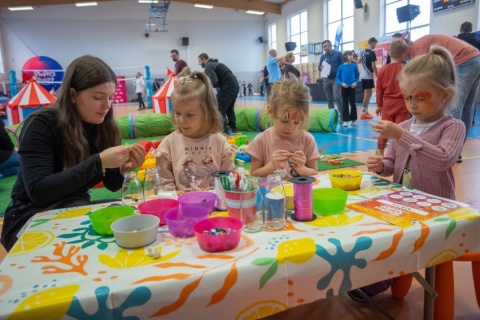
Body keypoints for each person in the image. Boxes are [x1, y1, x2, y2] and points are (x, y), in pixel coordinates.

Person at [348, 46, 466, 302]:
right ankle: (377, 276)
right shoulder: (404, 125)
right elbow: (392, 163)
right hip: (403, 205)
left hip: (437, 209)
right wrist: (381, 166)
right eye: (406, 97)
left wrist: (401, 135)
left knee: (402, 243)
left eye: (420, 97)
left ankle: (381, 280)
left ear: (445, 95)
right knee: (376, 231)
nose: (411, 105)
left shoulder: (452, 126)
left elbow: (443, 159)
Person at [1, 55, 146, 252]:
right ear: (72, 94)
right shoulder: (42, 125)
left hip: (72, 208)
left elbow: (113, 185)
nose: (107, 105)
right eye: (98, 97)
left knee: (132, 220)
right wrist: (99, 162)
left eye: (110, 97)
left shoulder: (105, 127)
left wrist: (123, 170)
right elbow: (39, 192)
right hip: (28, 215)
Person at [152, 71, 235, 192]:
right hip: (183, 207)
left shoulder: (219, 142)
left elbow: (229, 179)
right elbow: (163, 183)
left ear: (208, 113)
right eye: (177, 113)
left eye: (190, 115)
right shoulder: (169, 144)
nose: (181, 120)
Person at [406, 34, 480, 161]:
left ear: (406, 48)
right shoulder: (421, 42)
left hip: (464, 61)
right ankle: (457, 150)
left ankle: (450, 149)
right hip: (476, 57)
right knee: (467, 106)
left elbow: (423, 75)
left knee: (454, 104)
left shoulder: (416, 48)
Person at [246, 76, 320, 179]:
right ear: (271, 112)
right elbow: (254, 173)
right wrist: (272, 166)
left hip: (299, 194)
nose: (290, 128)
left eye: (297, 122)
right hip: (271, 193)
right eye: (284, 121)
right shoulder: (262, 140)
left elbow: (314, 172)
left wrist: (302, 169)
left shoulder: (307, 140)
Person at [375, 39, 410, 156]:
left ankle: (379, 151)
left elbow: (379, 89)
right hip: (403, 104)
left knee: (384, 128)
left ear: (389, 53)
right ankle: (398, 154)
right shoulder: (406, 69)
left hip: (388, 104)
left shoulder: (383, 70)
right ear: (404, 54)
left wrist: (379, 105)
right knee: (401, 130)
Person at [198, 53, 240, 134]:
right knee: (229, 108)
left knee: (220, 108)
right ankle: (233, 127)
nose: (199, 63)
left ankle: (223, 128)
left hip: (228, 85)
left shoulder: (208, 65)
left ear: (203, 59)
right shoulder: (215, 64)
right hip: (235, 85)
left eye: (199, 61)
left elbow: (214, 81)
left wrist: (205, 88)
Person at [318, 40, 343, 120]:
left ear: (330, 45)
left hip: (336, 78)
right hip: (326, 79)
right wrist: (320, 68)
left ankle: (342, 116)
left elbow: (342, 66)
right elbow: (319, 67)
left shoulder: (339, 54)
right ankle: (332, 116)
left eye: (325, 46)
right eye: (323, 47)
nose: (324, 48)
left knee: (337, 97)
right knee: (329, 98)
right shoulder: (323, 56)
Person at [336, 50, 359, 127]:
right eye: (350, 55)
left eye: (352, 55)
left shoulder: (354, 66)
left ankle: (354, 119)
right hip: (344, 87)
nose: (352, 56)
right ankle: (345, 120)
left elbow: (357, 76)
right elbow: (337, 78)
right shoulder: (341, 67)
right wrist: (342, 83)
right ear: (345, 56)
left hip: (352, 87)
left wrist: (355, 82)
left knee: (353, 103)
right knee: (345, 103)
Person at [357, 37, 378, 120]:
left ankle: (365, 111)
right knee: (368, 94)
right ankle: (364, 113)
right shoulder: (372, 53)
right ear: (372, 42)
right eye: (375, 44)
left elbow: (358, 61)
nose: (375, 46)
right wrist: (377, 75)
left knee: (367, 94)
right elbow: (373, 66)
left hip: (363, 75)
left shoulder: (362, 52)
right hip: (369, 76)